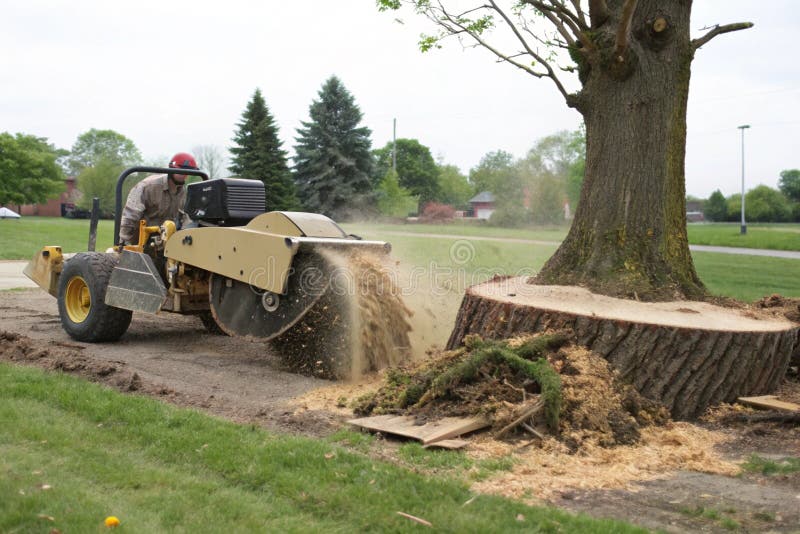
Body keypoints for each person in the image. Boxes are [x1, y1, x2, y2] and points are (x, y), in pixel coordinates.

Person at [119, 152, 198, 245]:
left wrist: (186, 237)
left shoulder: (182, 191)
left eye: (187, 173)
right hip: (139, 242)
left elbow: (184, 217)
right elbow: (130, 215)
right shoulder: (149, 186)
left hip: (163, 242)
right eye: (182, 172)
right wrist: (124, 243)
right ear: (172, 169)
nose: (185, 175)